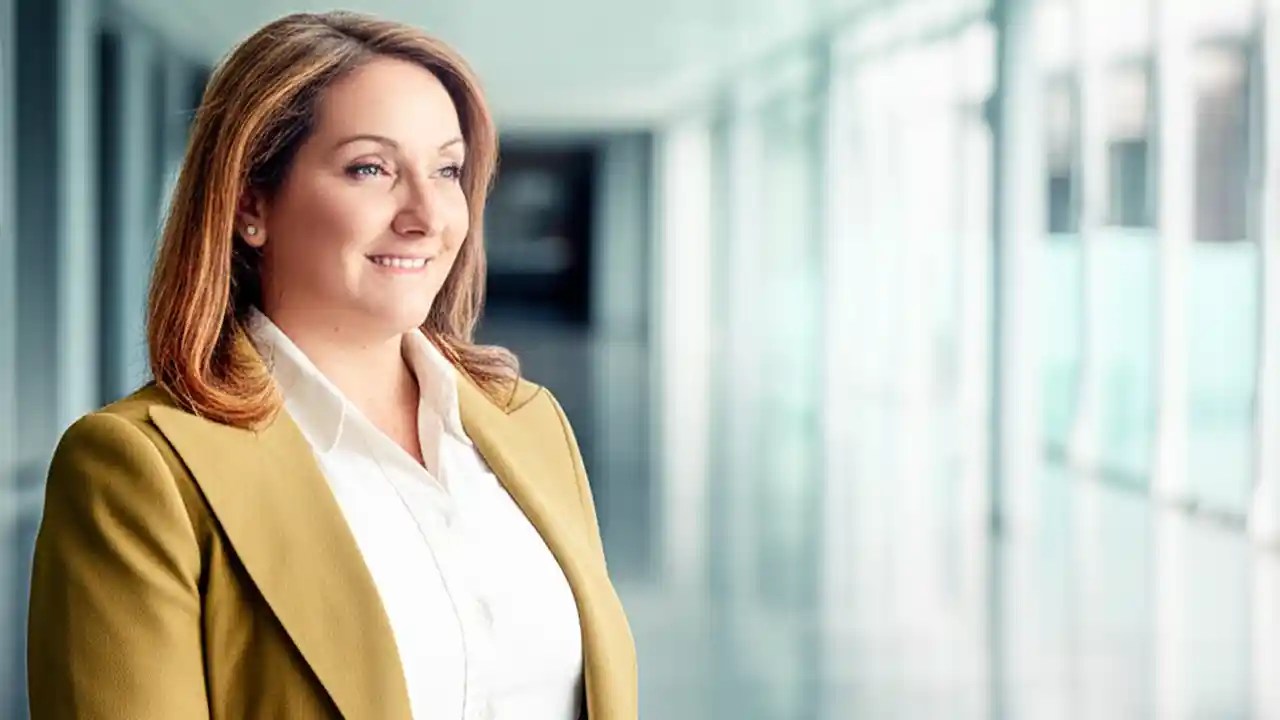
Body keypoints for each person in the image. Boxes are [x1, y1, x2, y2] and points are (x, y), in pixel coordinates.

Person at [26, 11, 635, 720]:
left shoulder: (528, 423)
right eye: (370, 169)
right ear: (250, 203)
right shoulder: (142, 471)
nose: (427, 215)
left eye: (446, 170)